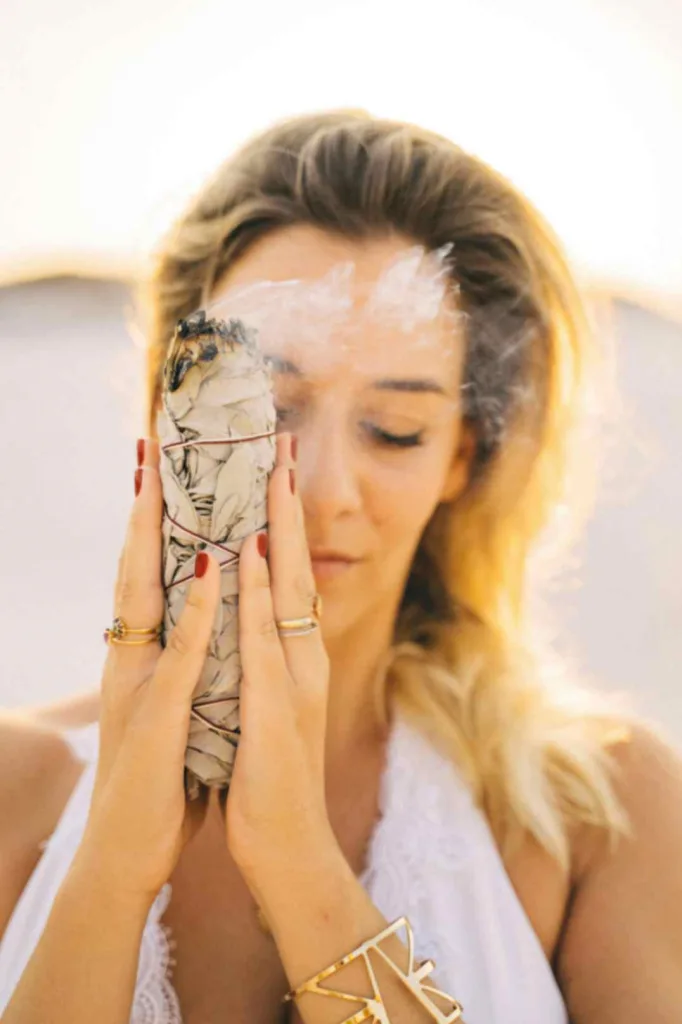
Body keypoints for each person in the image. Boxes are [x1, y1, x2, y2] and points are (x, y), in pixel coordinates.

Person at [1, 110, 681, 1024]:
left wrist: (298, 865)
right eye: (268, 404)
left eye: (394, 431)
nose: (322, 491)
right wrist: (111, 869)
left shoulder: (595, 813)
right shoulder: (16, 785)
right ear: (172, 408)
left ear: (460, 460)